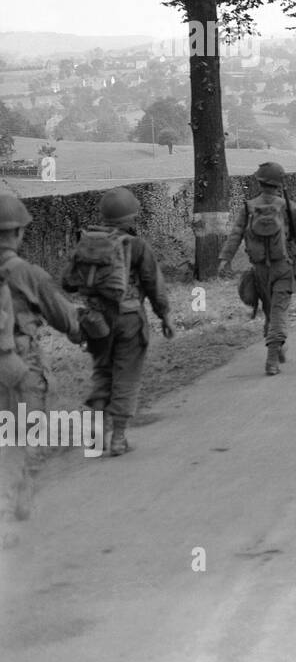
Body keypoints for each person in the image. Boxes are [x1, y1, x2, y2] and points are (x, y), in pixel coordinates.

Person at [62, 186, 174, 456]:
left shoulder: (88, 243)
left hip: (95, 321)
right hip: (130, 319)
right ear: (131, 216)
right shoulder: (136, 245)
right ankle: (119, 438)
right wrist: (165, 316)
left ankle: (98, 434)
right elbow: (153, 283)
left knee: (103, 372)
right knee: (127, 375)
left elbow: (67, 282)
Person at [0, 195, 85, 519]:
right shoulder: (27, 273)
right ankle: (12, 502)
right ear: (18, 232)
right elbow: (64, 318)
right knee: (21, 431)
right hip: (18, 361)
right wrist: (84, 330)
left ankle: (14, 497)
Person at [217, 162, 296, 376]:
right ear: (280, 183)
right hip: (284, 267)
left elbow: (236, 234)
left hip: (259, 270)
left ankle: (276, 346)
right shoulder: (287, 206)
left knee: (270, 311)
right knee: (279, 311)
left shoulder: (249, 207)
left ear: (259, 182)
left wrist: (225, 258)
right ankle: (272, 358)